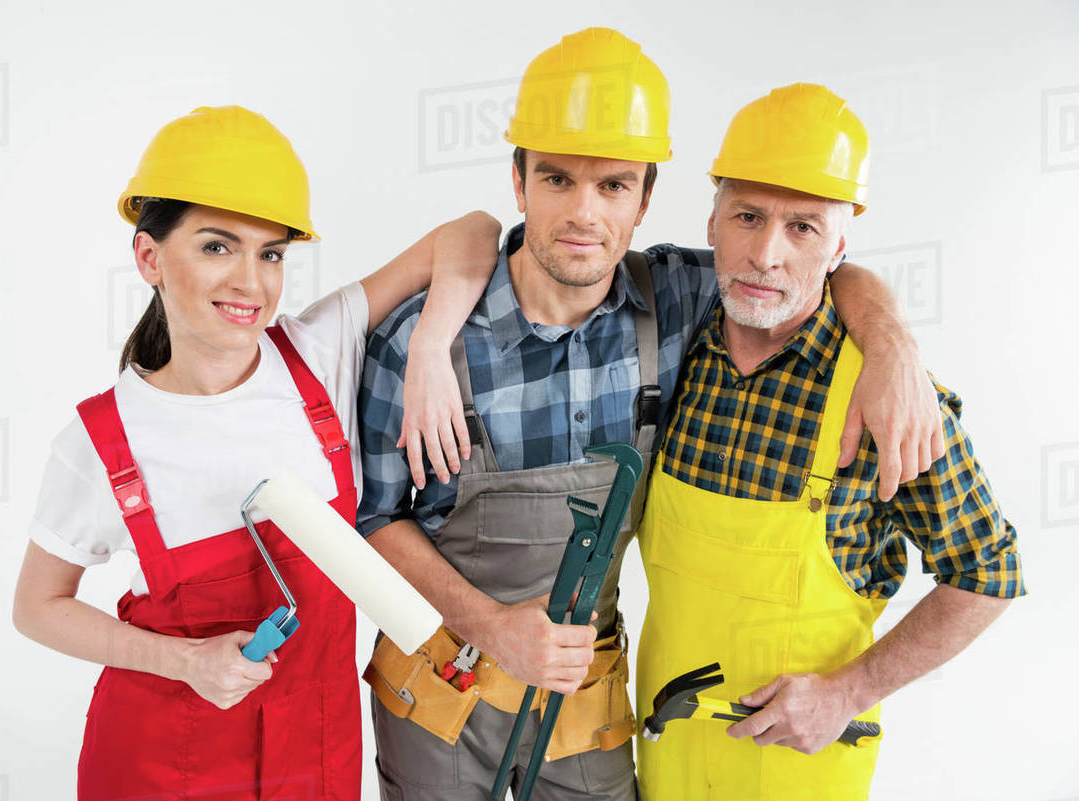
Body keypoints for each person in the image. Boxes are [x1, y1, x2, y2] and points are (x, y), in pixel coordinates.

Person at [358, 29, 941, 801]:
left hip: (582, 705)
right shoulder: (419, 342)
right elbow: (372, 518)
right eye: (558, 179)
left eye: (613, 187)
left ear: (647, 199)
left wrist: (893, 342)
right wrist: (490, 626)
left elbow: (815, 266)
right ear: (518, 181)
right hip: (436, 698)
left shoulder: (679, 302)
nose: (582, 213)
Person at [10, 105, 499, 801]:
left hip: (317, 758)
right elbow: (36, 606)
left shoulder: (318, 353)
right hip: (160, 766)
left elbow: (472, 230)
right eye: (217, 246)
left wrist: (428, 346)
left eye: (270, 253)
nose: (251, 282)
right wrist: (184, 660)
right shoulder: (102, 440)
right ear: (149, 256)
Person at [633, 83, 1025, 801]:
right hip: (666, 762)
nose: (766, 254)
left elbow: (988, 570)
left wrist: (849, 691)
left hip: (800, 773)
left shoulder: (889, 399)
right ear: (712, 222)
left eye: (804, 227)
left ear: (840, 246)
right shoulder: (669, 349)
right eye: (747, 216)